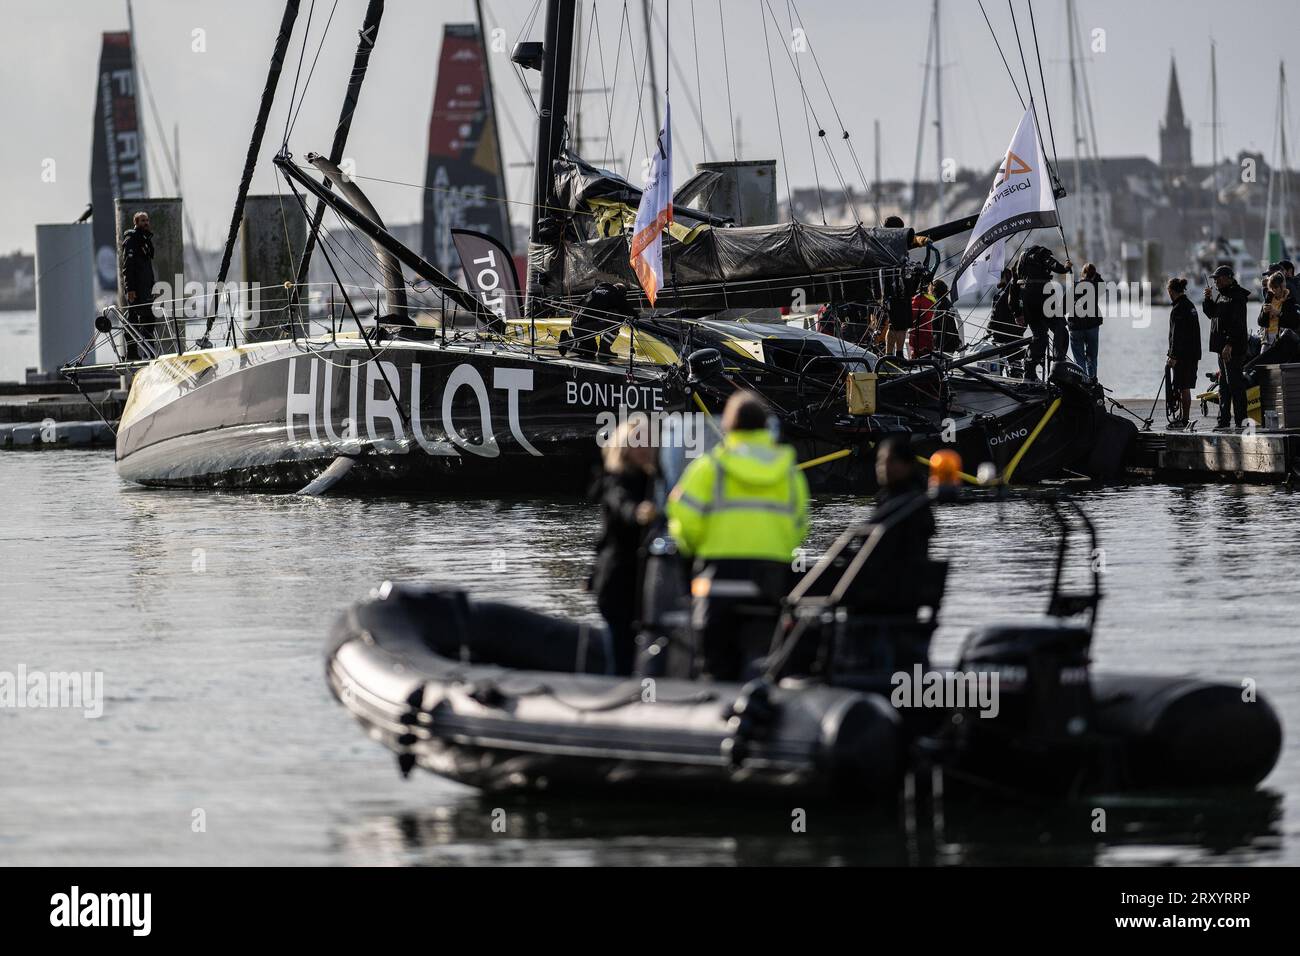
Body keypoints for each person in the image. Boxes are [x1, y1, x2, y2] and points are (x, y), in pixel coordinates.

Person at [665, 391, 810, 681]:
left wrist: (693, 550)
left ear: (728, 427)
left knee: (716, 664)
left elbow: (682, 519)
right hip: (770, 581)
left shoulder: (710, 468)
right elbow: (800, 527)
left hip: (719, 580)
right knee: (762, 659)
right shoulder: (790, 473)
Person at [588, 418, 659, 675]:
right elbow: (622, 505)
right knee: (622, 655)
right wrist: (639, 513)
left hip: (645, 582)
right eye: (639, 441)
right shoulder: (615, 481)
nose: (646, 446)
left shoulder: (656, 482)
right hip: (618, 582)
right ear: (625, 446)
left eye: (650, 441)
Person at [1010, 244, 1072, 381]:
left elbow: (1013, 290)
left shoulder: (1019, 263)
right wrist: (1066, 267)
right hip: (1043, 295)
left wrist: (1017, 313)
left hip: (1026, 300)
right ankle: (1058, 364)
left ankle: (1029, 372)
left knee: (1039, 336)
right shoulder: (1041, 253)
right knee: (1060, 326)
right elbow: (1056, 267)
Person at [1202, 264, 1250, 429]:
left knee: (1235, 385)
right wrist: (1207, 299)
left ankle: (1241, 421)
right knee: (1224, 387)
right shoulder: (1221, 295)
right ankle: (1223, 422)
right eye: (1214, 280)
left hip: (1232, 349)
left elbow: (1237, 324)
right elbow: (1212, 314)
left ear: (1229, 278)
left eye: (1219, 279)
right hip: (1221, 349)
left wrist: (1229, 344)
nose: (1216, 282)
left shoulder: (1236, 296)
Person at [120, 210, 157, 361]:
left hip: (146, 288)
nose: (146, 223)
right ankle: (132, 352)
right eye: (142, 221)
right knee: (133, 320)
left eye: (147, 220)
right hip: (136, 290)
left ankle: (149, 350)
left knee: (148, 320)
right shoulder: (132, 241)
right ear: (136, 223)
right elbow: (128, 267)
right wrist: (130, 289)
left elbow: (147, 267)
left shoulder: (145, 240)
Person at [1165, 277, 1201, 427]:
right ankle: (1183, 416)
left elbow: (1177, 335)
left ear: (1171, 291)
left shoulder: (1178, 309)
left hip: (1182, 356)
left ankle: (1184, 419)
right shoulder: (1190, 306)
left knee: (1182, 386)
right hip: (1193, 354)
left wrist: (1172, 356)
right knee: (1184, 386)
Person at [567, 281, 634, 359]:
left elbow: (579, 304)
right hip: (585, 328)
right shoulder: (614, 293)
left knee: (591, 350)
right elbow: (628, 310)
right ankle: (604, 350)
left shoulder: (593, 291)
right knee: (616, 319)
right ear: (620, 293)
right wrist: (636, 319)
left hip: (575, 326)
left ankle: (570, 343)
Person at [1069, 262, 1104, 379]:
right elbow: (1102, 284)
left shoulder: (1074, 286)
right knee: (1092, 357)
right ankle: (1092, 381)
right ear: (1094, 275)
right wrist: (1094, 275)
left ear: (1082, 274)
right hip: (1092, 326)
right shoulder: (1096, 286)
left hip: (1076, 326)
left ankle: (1082, 381)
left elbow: (1064, 306)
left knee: (1079, 358)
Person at [988, 268, 1024, 375]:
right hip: (1017, 337)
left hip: (1001, 338)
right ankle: (1018, 378)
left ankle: (999, 382)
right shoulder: (1020, 294)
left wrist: (988, 330)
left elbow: (995, 317)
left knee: (997, 368)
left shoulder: (999, 295)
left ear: (1004, 278)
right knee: (1016, 367)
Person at [1259, 270, 1300, 345]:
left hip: (1283, 340)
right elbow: (1260, 322)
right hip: (1267, 340)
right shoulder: (1269, 299)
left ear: (1282, 286)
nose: (1274, 289)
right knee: (1262, 355)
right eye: (1271, 287)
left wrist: (1278, 313)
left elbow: (1294, 323)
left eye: (1276, 287)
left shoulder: (1290, 300)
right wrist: (1264, 313)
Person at [909, 279, 946, 357]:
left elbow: (910, 318)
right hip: (933, 340)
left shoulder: (919, 299)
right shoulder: (939, 301)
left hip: (920, 340)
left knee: (918, 359)